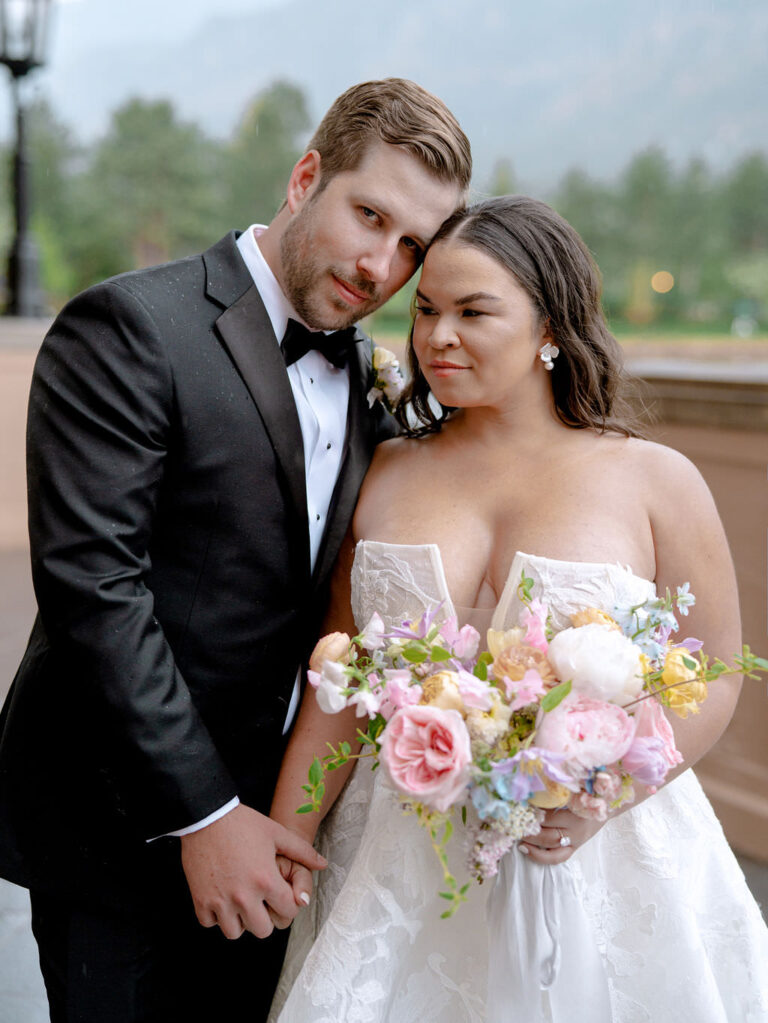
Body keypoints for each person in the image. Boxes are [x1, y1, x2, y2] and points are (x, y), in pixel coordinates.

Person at [0, 79, 471, 1022]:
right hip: (119, 826)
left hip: (283, 835)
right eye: (368, 214)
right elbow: (97, 588)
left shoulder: (374, 378)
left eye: (412, 245)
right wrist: (205, 816)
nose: (382, 264)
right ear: (305, 178)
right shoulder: (131, 328)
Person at [268, 195, 768, 1022]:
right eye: (425, 308)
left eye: (473, 311)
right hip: (395, 863)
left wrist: (599, 800)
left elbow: (714, 670)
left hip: (598, 853)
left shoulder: (657, 479)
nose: (436, 336)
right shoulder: (384, 468)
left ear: (550, 329)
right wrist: (286, 834)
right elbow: (342, 670)